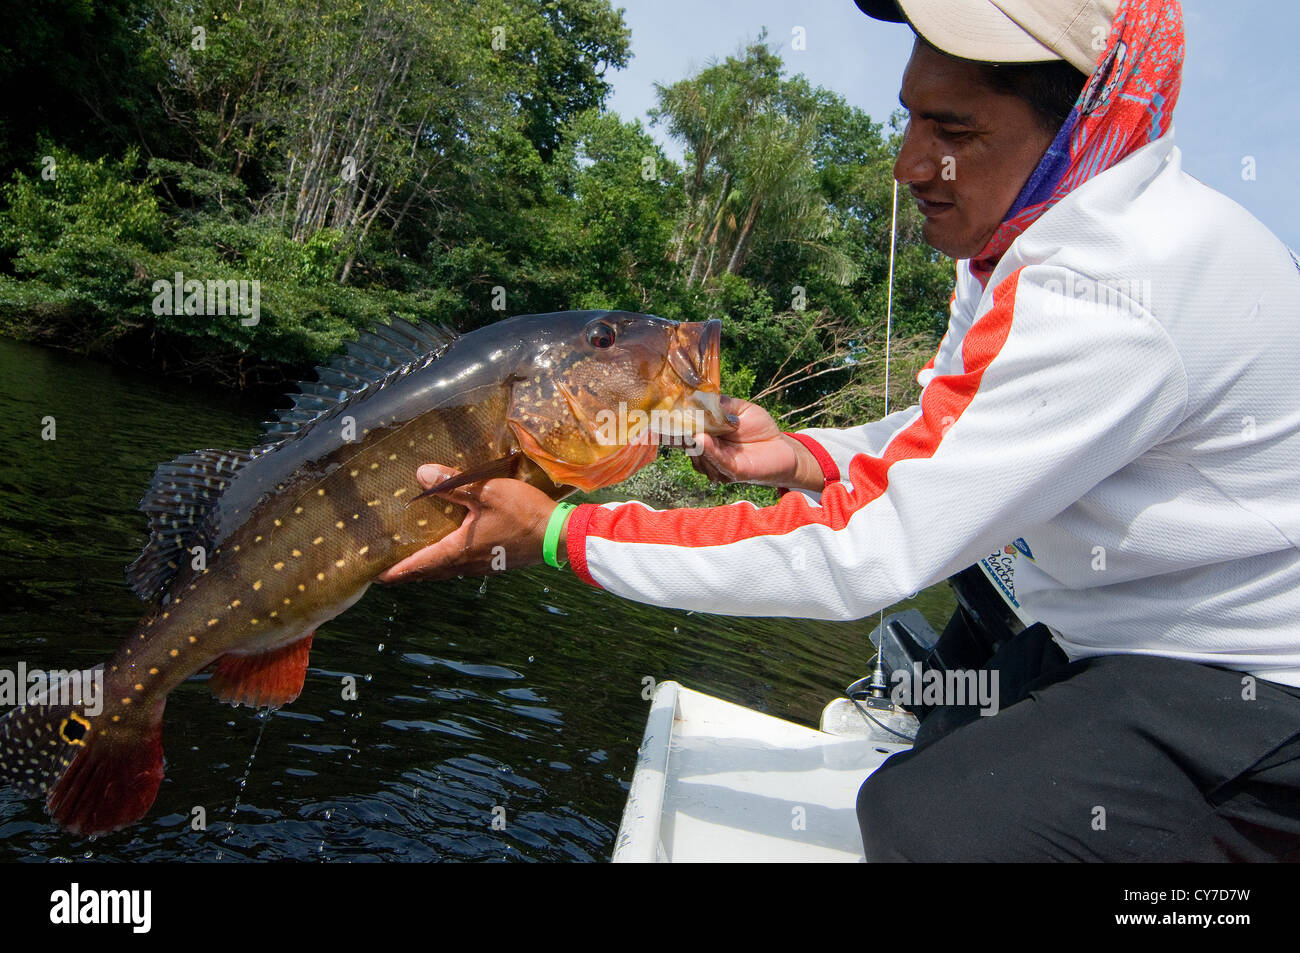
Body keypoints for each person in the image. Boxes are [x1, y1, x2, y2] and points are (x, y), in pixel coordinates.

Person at [379, 0, 1300, 861]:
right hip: (1113, 639)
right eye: (912, 117)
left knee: (926, 824)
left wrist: (555, 533)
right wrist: (804, 455)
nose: (906, 163)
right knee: (941, 740)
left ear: (1078, 119)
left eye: (954, 131)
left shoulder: (1113, 287)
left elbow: (869, 546)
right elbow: (951, 433)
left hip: (1254, 695)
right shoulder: (1039, 230)